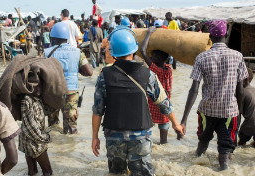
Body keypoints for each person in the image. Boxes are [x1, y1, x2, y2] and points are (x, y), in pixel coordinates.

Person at [92, 28, 183, 175]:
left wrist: (95, 137)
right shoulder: (148, 75)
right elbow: (164, 103)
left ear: (113, 52)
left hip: (114, 138)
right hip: (140, 137)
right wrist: (175, 124)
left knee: (117, 173)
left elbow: (97, 110)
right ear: (134, 50)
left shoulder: (104, 76)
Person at [179, 20, 248, 171]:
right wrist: (240, 112)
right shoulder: (237, 56)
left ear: (210, 36)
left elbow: (194, 90)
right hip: (230, 112)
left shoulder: (201, 58)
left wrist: (183, 120)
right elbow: (241, 90)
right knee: (225, 150)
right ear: (227, 34)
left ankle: (192, 170)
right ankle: (225, 171)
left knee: (202, 143)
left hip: (206, 112)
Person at [45, 22, 93, 134]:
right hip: (71, 93)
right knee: (71, 128)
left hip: (53, 93)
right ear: (67, 37)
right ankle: (70, 148)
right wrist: (76, 69)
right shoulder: (77, 52)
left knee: (52, 127)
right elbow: (89, 72)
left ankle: (55, 149)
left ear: (53, 38)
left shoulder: (46, 53)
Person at [140, 26, 173, 144]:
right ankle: (164, 147)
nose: (150, 57)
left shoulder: (156, 69)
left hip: (154, 103)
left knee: (147, 129)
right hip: (165, 102)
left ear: (158, 58)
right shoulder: (168, 69)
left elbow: (142, 50)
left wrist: (149, 33)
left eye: (152, 56)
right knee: (164, 128)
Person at [238, 68, 255, 147]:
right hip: (252, 123)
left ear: (244, 79)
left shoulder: (242, 93)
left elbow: (237, 116)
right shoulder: (253, 90)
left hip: (250, 125)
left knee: (240, 145)